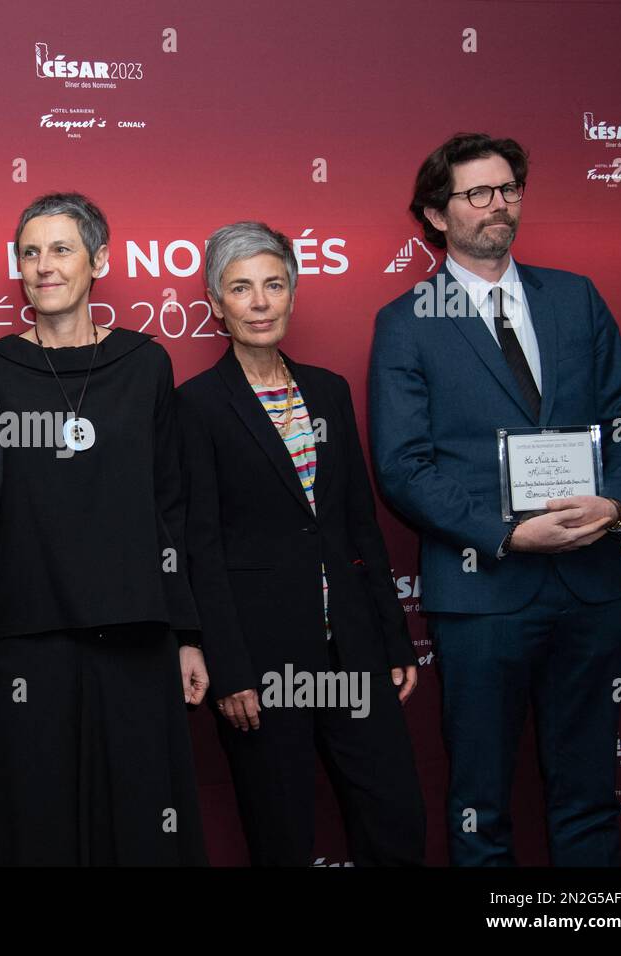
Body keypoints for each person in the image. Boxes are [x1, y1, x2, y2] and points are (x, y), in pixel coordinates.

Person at [369, 132, 621, 865]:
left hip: (590, 590)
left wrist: (619, 506)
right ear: (436, 214)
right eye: (477, 193)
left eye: (509, 189)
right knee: (481, 805)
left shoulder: (576, 297)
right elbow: (404, 466)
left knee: (590, 795)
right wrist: (505, 535)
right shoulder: (406, 321)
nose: (498, 205)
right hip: (483, 597)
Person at [0, 192, 208, 866]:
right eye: (30, 252)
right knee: (32, 828)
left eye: (60, 249)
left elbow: (169, 504)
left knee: (137, 829)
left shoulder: (145, 363)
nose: (43, 266)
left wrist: (185, 633)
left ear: (99, 259)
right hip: (21, 640)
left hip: (131, 637)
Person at [177, 221, 425, 866]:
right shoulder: (196, 406)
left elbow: (356, 524)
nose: (260, 303)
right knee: (281, 832)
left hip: (353, 650)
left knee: (393, 818)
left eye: (274, 285)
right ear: (215, 303)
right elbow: (199, 545)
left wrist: (391, 639)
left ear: (293, 293)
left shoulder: (328, 391)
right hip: (262, 663)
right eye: (241, 288)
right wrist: (229, 668)